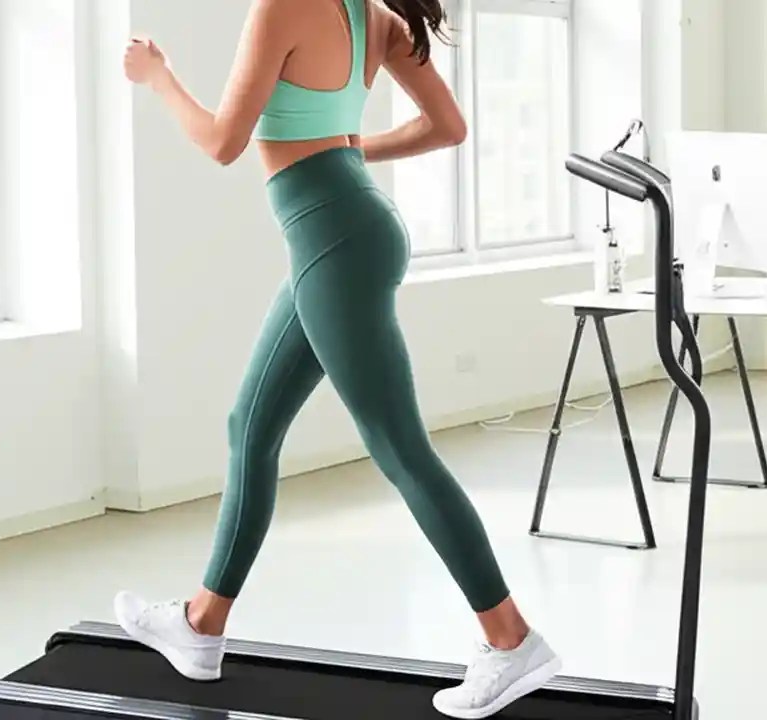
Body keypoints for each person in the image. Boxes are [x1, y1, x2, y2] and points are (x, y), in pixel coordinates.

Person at [116, 0, 560, 716]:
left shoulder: (281, 7)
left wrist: (159, 77)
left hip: (334, 244)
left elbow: (223, 142)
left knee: (400, 449)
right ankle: (201, 626)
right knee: (250, 428)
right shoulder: (375, 17)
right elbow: (447, 125)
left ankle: (510, 641)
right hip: (343, 231)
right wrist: (344, 153)